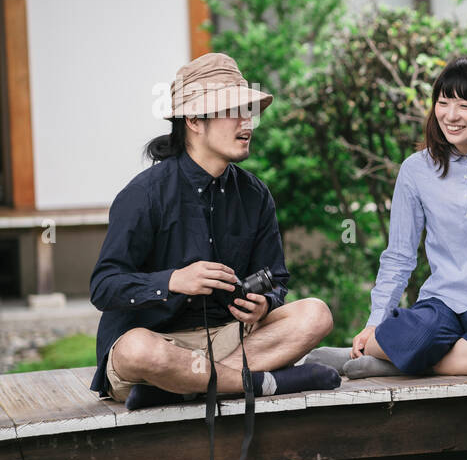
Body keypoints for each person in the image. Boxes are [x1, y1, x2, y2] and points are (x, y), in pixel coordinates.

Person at [90, 52, 339, 410]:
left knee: (316, 314)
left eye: (248, 111)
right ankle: (261, 382)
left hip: (230, 340)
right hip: (159, 344)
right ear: (193, 119)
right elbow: (103, 287)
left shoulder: (254, 194)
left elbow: (277, 279)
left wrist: (264, 303)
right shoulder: (144, 195)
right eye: (233, 112)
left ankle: (183, 387)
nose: (247, 123)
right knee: (136, 350)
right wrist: (173, 280)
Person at [307, 56, 467, 380]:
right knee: (419, 333)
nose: (450, 115)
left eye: (464, 105)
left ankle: (392, 361)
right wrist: (375, 322)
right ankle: (395, 348)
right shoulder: (417, 170)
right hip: (447, 307)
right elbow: (399, 256)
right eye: (443, 103)